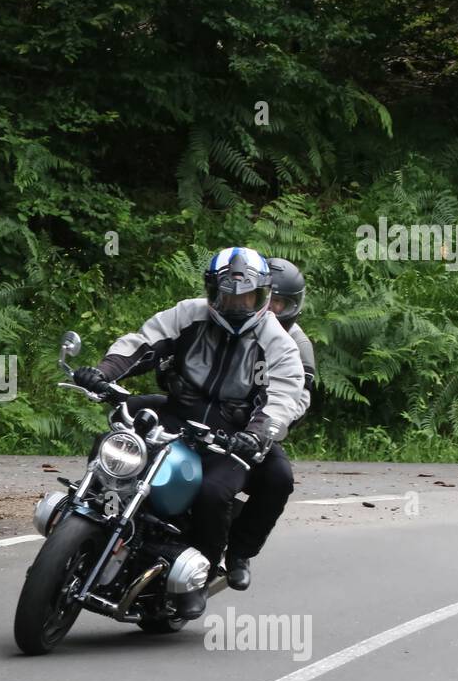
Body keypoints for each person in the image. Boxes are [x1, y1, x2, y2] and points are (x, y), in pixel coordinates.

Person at [72, 247, 304, 619]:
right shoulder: (188, 313)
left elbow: (283, 396)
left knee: (214, 492)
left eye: (247, 296)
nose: (237, 304)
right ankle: (88, 516)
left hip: (230, 434)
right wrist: (104, 371)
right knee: (116, 441)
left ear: (262, 295)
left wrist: (259, 433)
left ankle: (201, 575)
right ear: (212, 292)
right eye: (227, 295)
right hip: (178, 412)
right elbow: (143, 343)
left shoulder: (279, 342)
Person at [224, 257, 315, 588]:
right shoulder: (225, 317)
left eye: (281, 302)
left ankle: (239, 551)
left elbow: (299, 400)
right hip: (205, 412)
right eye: (268, 298)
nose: (272, 310)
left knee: (278, 478)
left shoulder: (296, 345)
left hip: (255, 427)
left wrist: (265, 426)